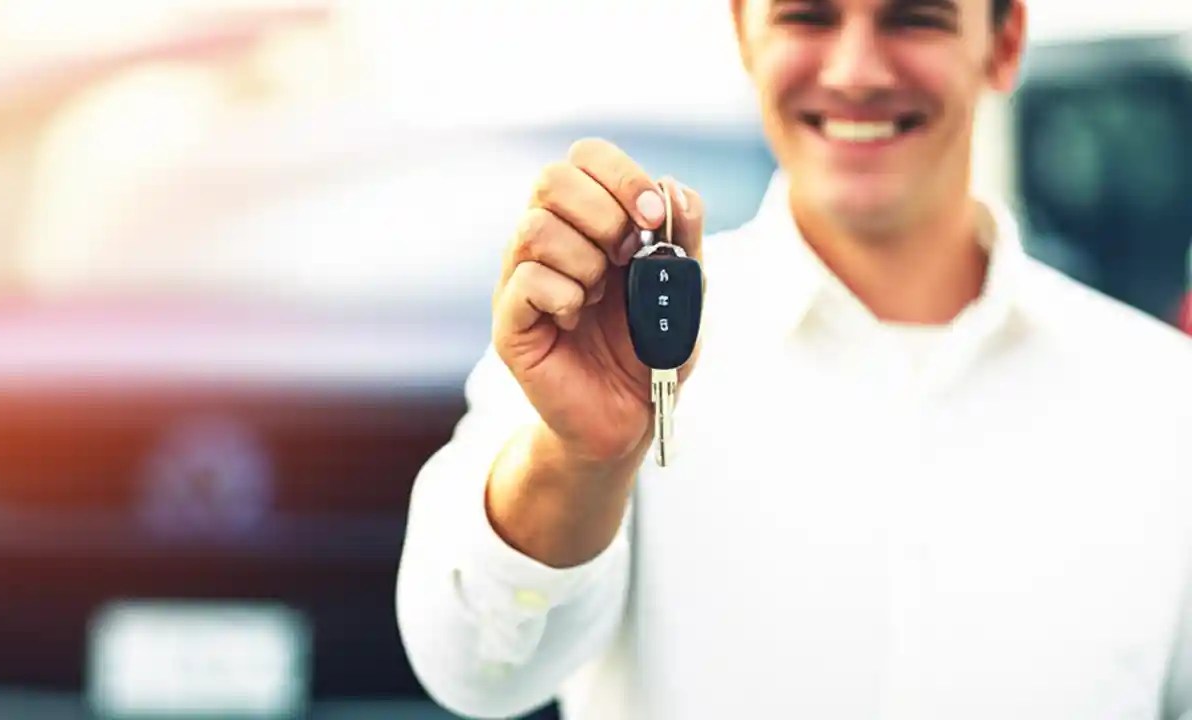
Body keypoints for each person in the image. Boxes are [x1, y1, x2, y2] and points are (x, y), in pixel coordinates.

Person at [396, 0, 1192, 717]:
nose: (856, 71)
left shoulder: (1164, 402)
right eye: (809, 15)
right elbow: (472, 669)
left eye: (913, 17)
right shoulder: (605, 337)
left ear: (1004, 39)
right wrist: (578, 462)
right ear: (743, 30)